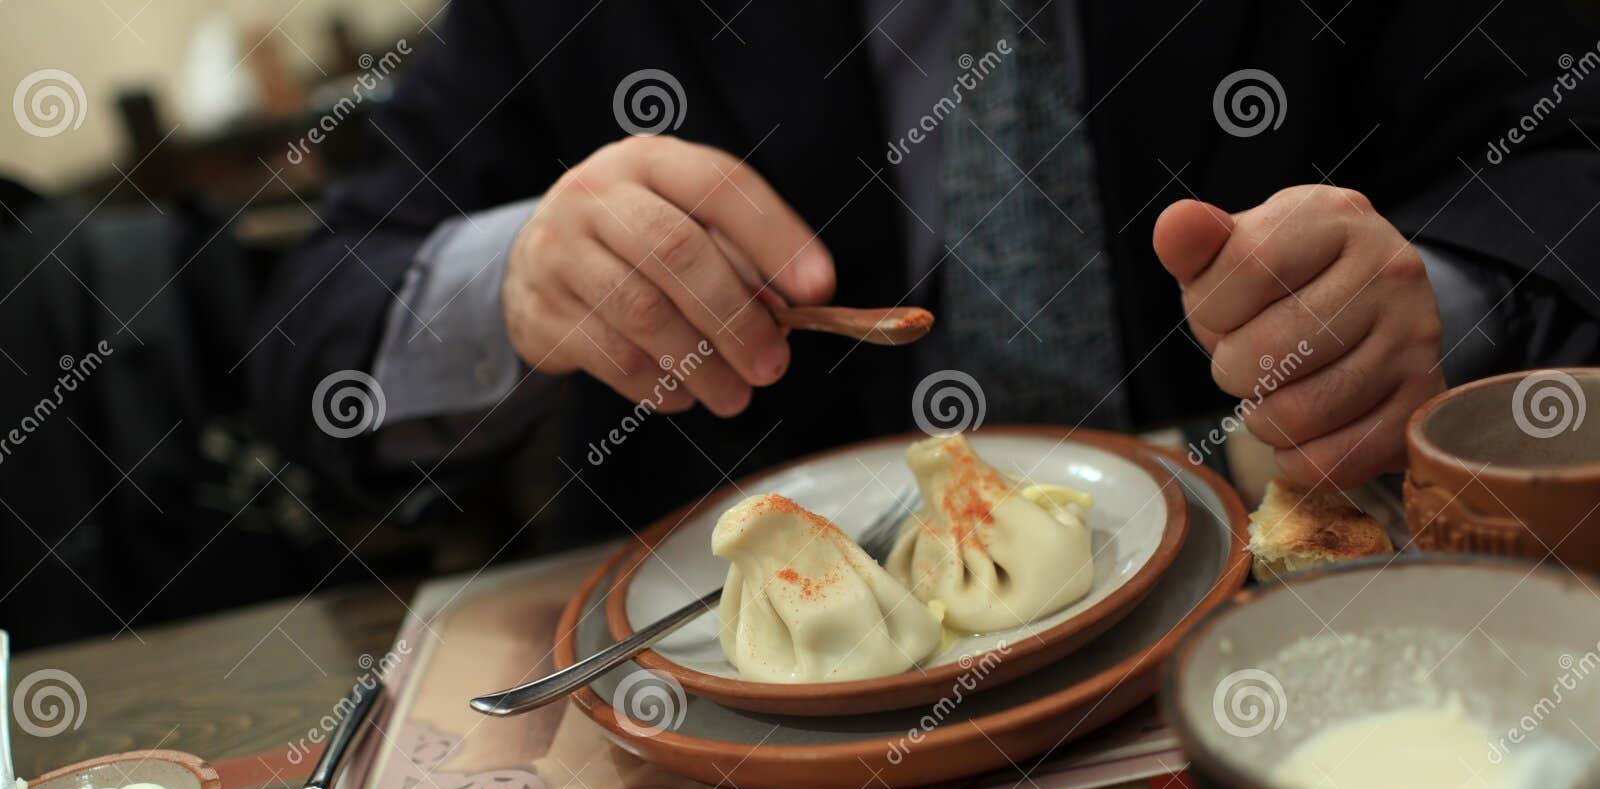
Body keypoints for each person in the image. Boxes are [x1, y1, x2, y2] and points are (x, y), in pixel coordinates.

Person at [254, 0, 1600, 546]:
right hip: (753, 733)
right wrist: (519, 280)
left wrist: (1438, 304)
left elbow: (1561, 159)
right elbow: (319, 334)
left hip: (1281, 634)